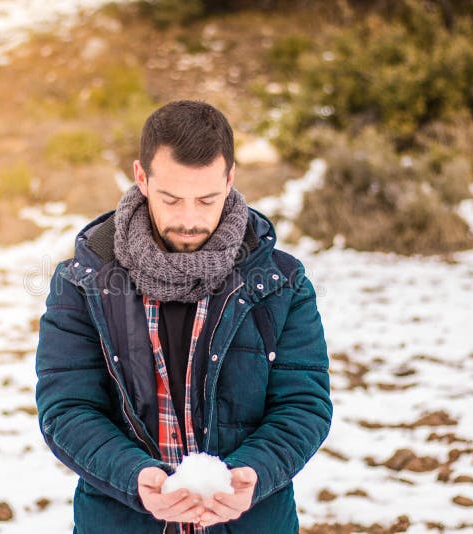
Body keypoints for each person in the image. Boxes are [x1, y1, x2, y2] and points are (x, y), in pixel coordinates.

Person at [35, 100, 332, 533]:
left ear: (230, 180)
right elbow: (66, 408)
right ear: (142, 178)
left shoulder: (280, 282)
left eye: (207, 199)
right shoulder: (83, 281)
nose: (189, 219)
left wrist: (256, 471)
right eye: (171, 199)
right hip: (121, 521)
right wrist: (135, 476)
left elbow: (304, 403)